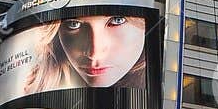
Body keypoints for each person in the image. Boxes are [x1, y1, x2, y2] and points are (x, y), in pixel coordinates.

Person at [18, 14, 146, 95]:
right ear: (56, 33)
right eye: (74, 24)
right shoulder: (37, 91)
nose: (94, 53)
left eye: (118, 20)